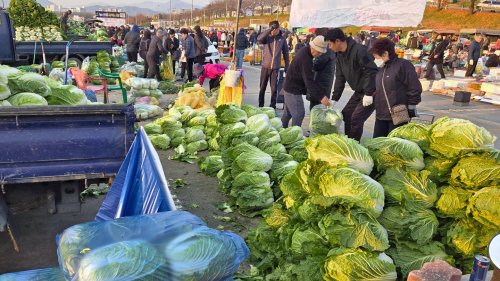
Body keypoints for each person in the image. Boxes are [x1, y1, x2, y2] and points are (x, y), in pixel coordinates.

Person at [325, 28, 377, 141]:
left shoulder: (359, 50)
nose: (329, 47)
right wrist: (334, 98)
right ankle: (349, 140)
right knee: (347, 114)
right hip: (359, 92)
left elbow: (371, 71)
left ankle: (353, 144)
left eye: (330, 44)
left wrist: (369, 93)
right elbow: (339, 78)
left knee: (356, 118)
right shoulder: (339, 56)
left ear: (337, 41)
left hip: (372, 91)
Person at [370, 38, 422, 137]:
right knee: (378, 143)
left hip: (399, 113)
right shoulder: (381, 68)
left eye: (376, 57)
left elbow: (414, 87)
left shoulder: (403, 65)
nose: (375, 59)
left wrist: (411, 106)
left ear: (385, 53)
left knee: (394, 145)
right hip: (381, 114)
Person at [281, 36, 328, 128]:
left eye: (321, 52)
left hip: (289, 87)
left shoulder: (305, 51)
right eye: (318, 52)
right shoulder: (306, 58)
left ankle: (281, 130)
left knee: (288, 113)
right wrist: (321, 97)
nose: (319, 54)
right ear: (312, 47)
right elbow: (309, 81)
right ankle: (294, 136)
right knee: (299, 114)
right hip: (293, 90)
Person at [257, 21, 290, 108]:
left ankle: (272, 106)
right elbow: (259, 39)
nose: (273, 31)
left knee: (274, 89)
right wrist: (270, 30)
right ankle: (260, 105)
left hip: (275, 68)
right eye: (272, 29)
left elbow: (286, 53)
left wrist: (287, 65)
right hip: (265, 67)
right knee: (262, 88)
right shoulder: (267, 38)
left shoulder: (282, 39)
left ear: (278, 29)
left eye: (275, 29)